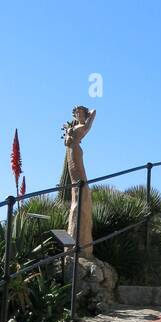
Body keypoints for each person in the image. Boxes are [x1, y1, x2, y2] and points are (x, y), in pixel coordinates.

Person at [63, 106, 97, 255]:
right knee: (74, 182)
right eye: (76, 113)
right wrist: (68, 133)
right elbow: (66, 142)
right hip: (69, 152)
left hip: (76, 151)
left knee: (80, 181)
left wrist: (87, 114)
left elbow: (94, 111)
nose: (78, 115)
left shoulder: (85, 125)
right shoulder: (74, 125)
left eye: (81, 113)